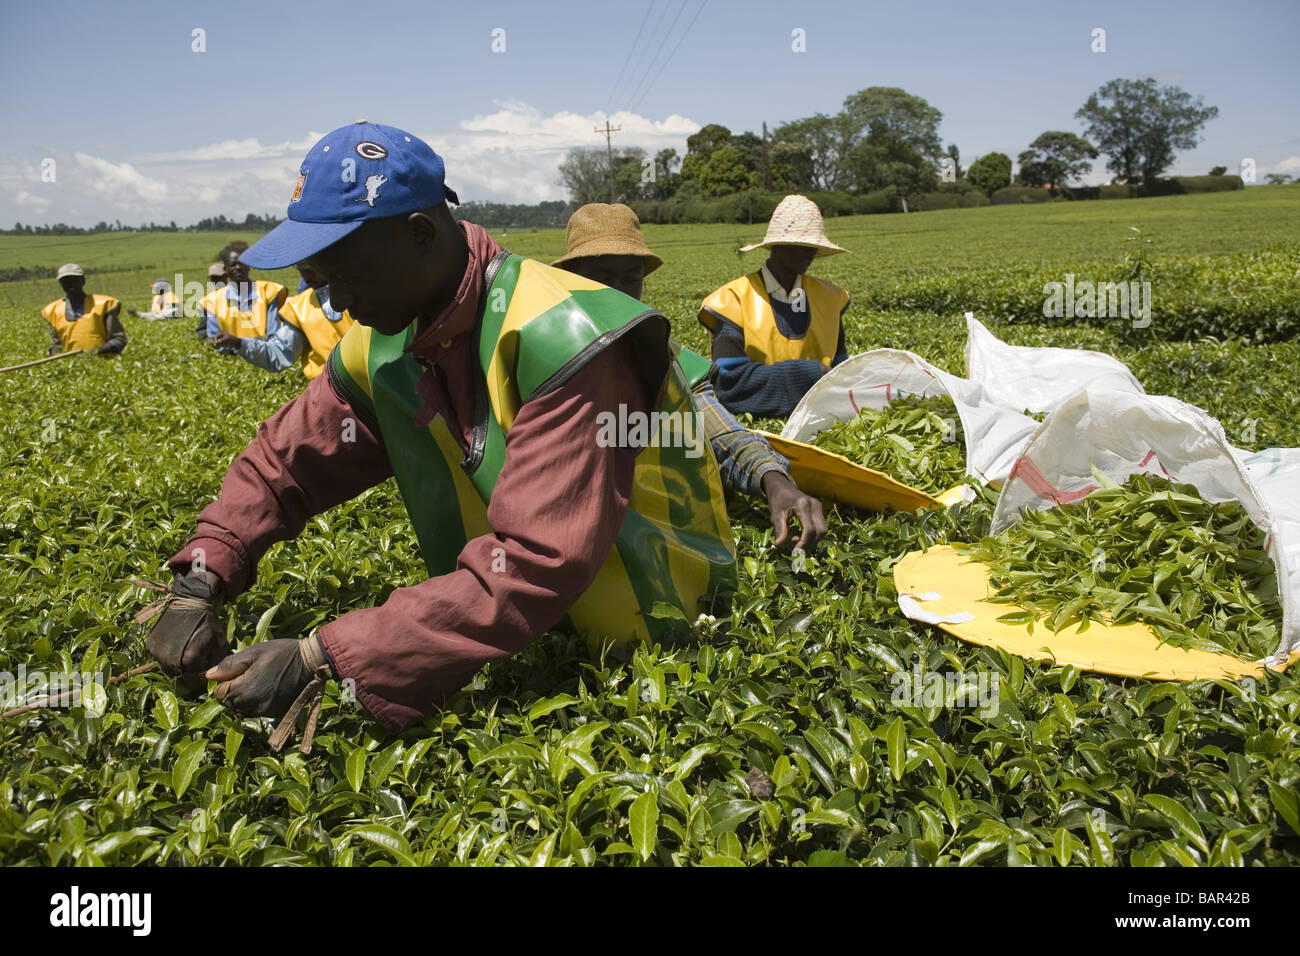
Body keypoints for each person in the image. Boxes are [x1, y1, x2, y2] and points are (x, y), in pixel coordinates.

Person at [143, 122, 735, 739]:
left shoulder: (564, 335)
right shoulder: (382, 340)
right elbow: (288, 461)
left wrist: (321, 658)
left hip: (650, 646)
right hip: (510, 649)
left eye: (346, 276)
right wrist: (199, 578)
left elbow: (539, 559)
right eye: (323, 283)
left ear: (420, 234)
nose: (338, 304)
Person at [553, 202, 825, 553]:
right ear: (571, 277)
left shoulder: (662, 355)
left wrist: (775, 482)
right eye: (601, 275)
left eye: (631, 277)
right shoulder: (541, 346)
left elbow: (725, 433)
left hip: (643, 532)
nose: (617, 290)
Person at [698, 195, 851, 417]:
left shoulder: (830, 299)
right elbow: (730, 385)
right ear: (776, 246)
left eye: (814, 246)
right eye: (803, 244)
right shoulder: (734, 301)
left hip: (822, 422)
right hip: (758, 432)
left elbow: (841, 372)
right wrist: (809, 375)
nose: (811, 253)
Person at [233, 262, 354, 378]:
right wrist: (240, 343)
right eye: (301, 270)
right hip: (329, 386)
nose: (306, 277)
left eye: (310, 269)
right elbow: (280, 353)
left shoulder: (356, 290)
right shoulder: (298, 308)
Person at [201, 242, 287, 355]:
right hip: (230, 358)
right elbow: (215, 340)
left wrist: (239, 343)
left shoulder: (268, 292)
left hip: (264, 355)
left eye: (243, 263)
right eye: (233, 265)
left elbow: (273, 335)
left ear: (249, 266)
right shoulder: (213, 300)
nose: (238, 268)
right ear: (225, 269)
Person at [40, 263, 126, 357]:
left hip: (103, 363)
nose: (71, 284)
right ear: (60, 283)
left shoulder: (104, 305)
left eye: (75, 280)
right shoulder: (53, 311)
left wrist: (98, 351)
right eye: (66, 281)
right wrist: (55, 356)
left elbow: (118, 339)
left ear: (83, 281)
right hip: (73, 366)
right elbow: (56, 345)